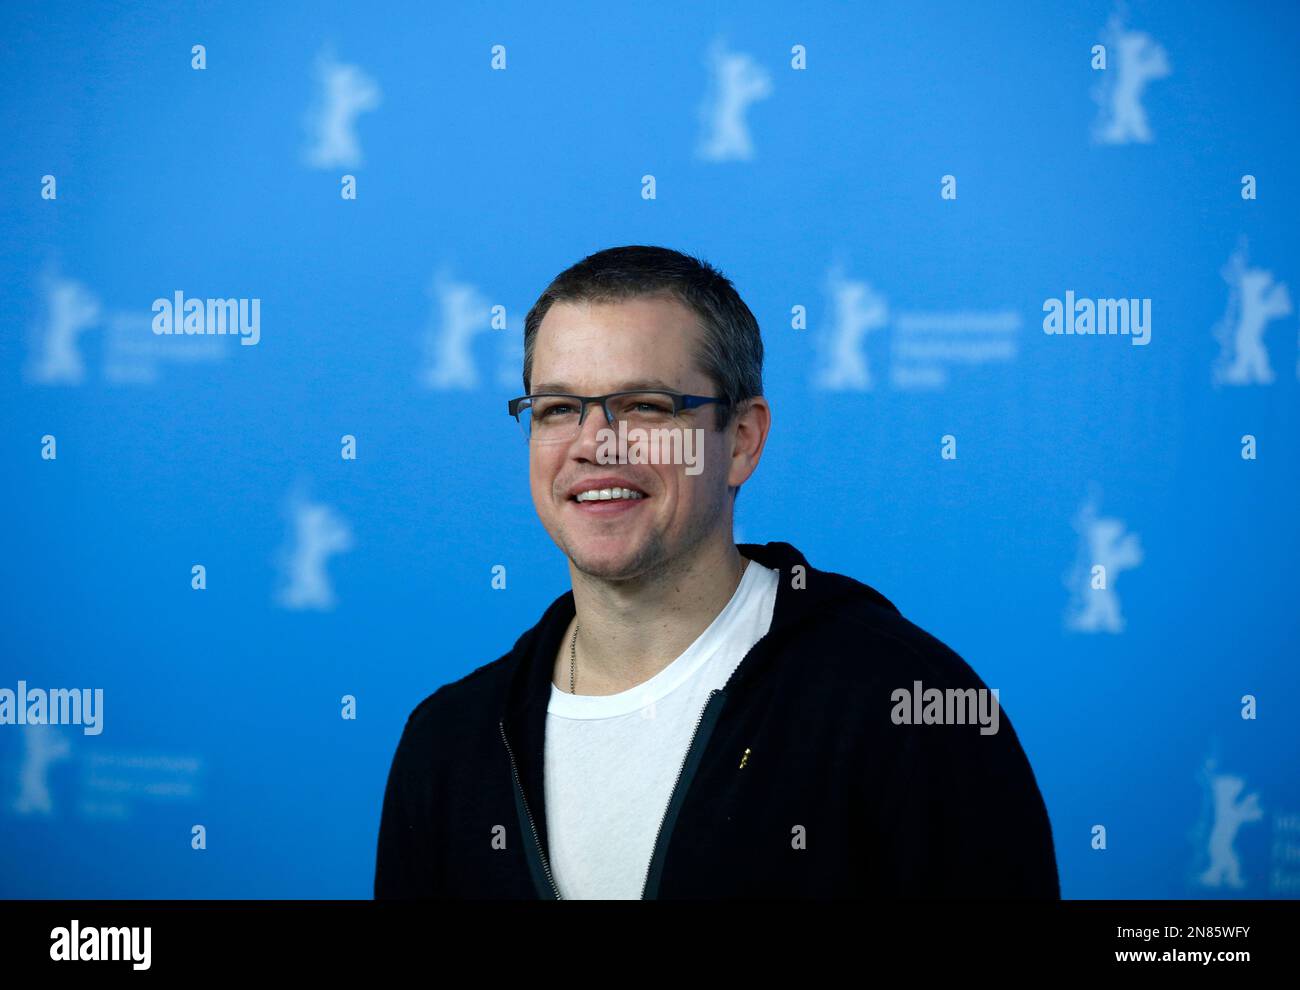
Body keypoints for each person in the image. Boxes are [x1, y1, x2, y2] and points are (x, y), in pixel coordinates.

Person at [374, 244, 1059, 899]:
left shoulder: (908, 708)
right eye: (558, 409)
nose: (593, 444)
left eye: (645, 405)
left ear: (742, 441)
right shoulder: (450, 745)